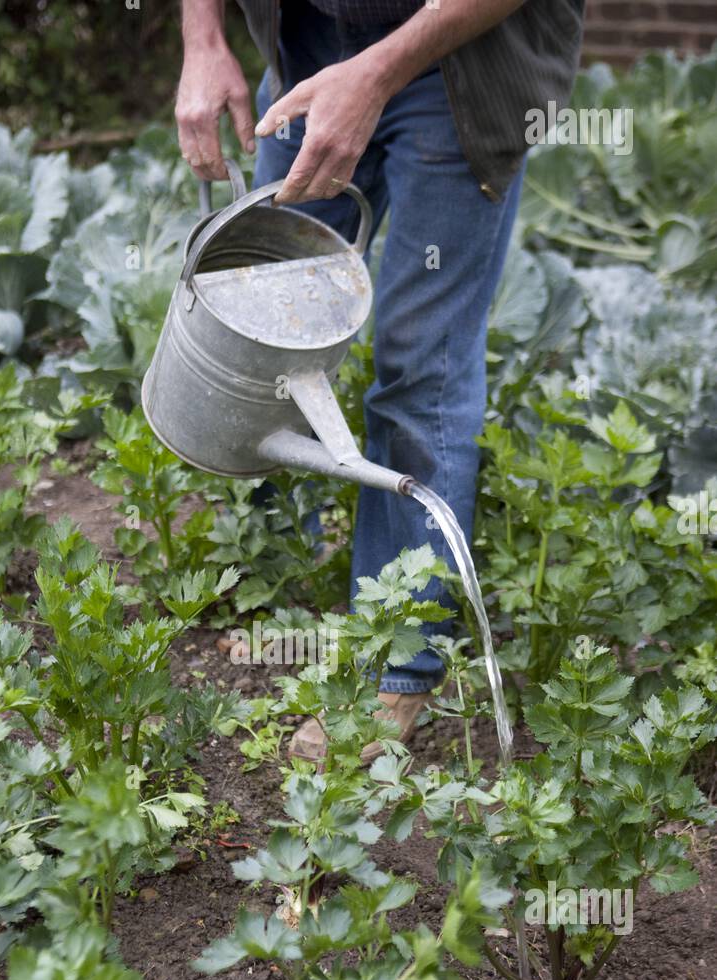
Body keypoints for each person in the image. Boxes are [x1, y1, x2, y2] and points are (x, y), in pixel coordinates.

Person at [176, 0, 584, 762]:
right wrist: (203, 41)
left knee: (417, 363)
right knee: (267, 308)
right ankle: (280, 589)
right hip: (305, 45)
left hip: (455, 62)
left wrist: (377, 74)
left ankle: (401, 666)